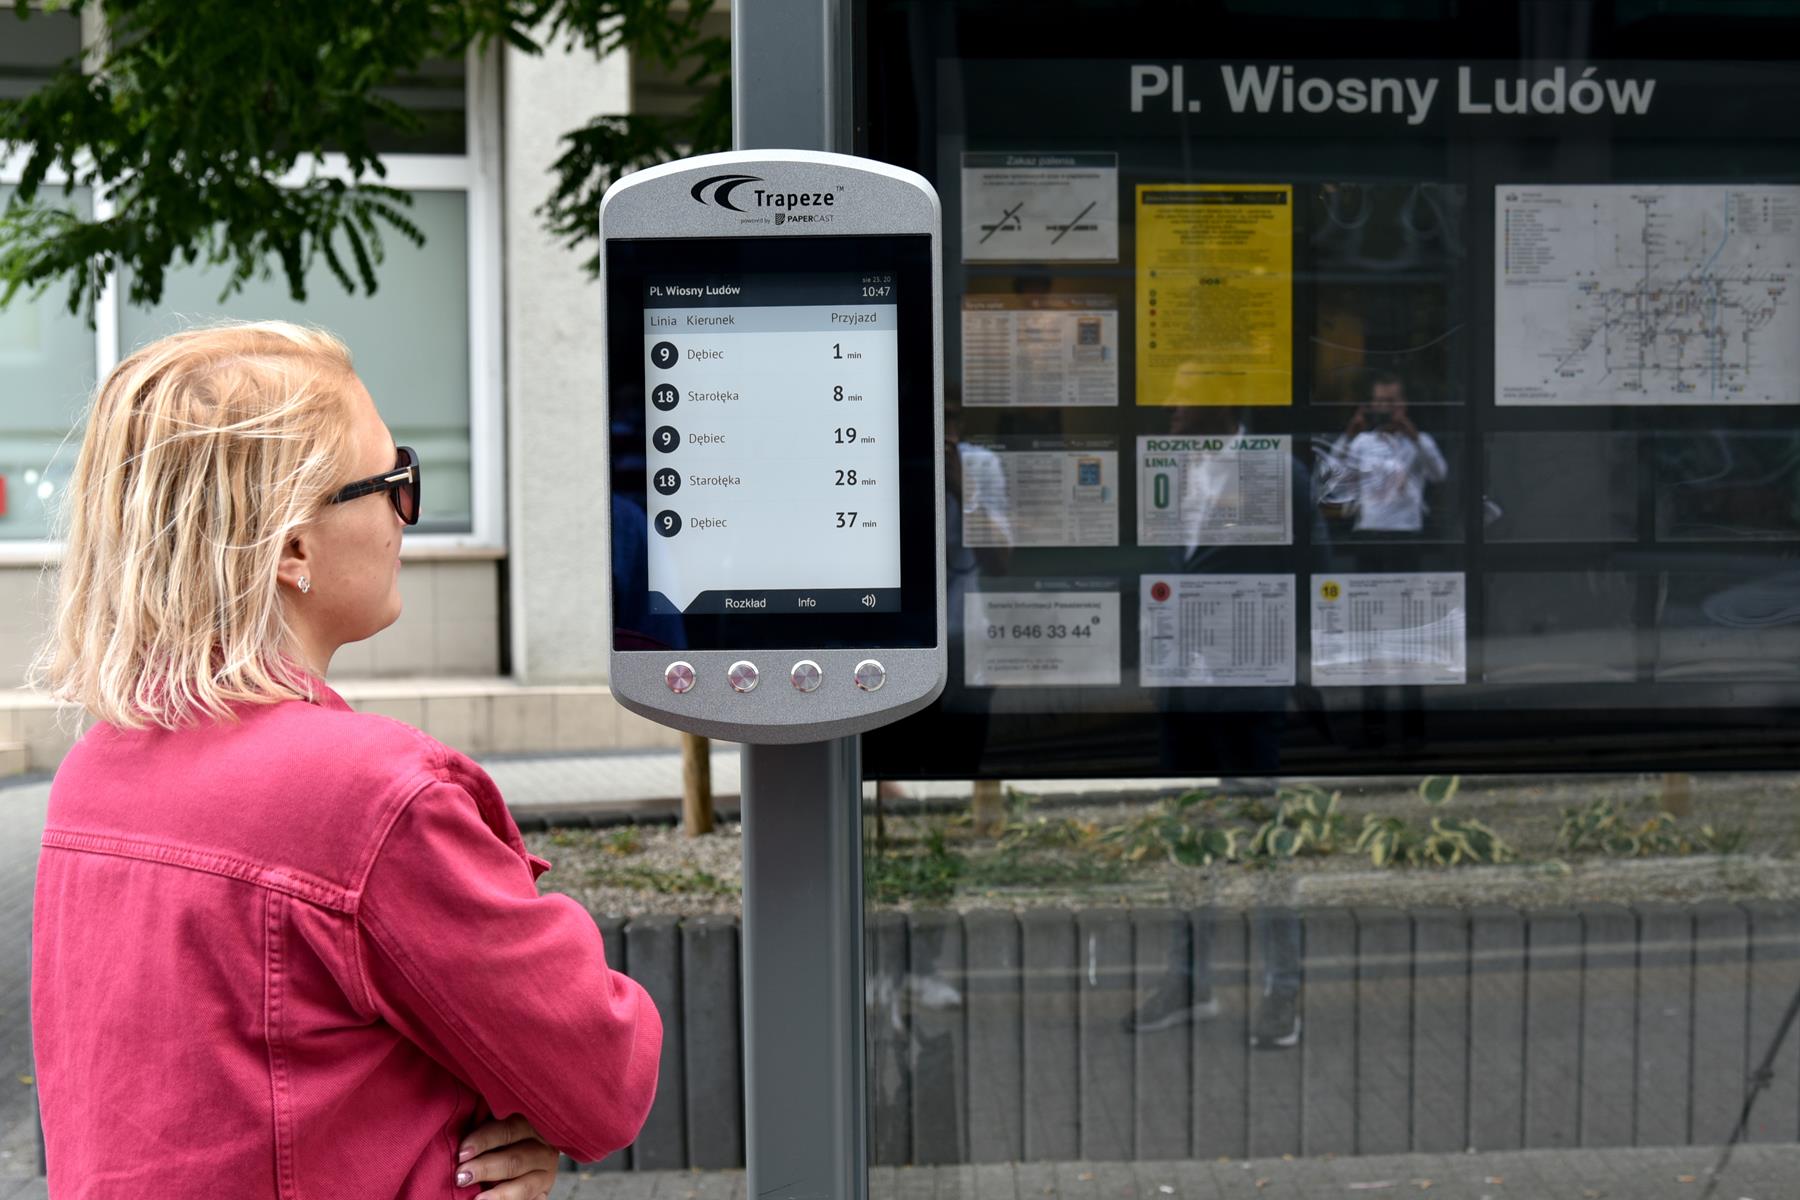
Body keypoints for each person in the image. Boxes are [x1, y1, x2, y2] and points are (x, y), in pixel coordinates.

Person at [31, 322, 660, 1199]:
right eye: (393, 480)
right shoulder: (373, 798)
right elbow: (600, 1074)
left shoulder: (96, 772)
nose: (411, 511)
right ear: (292, 549)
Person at [1320, 371, 1448, 533]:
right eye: (1380, 401)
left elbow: (1439, 474)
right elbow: (1334, 479)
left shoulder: (1419, 441)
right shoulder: (1362, 441)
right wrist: (1348, 437)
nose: (1385, 408)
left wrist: (1414, 436)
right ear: (1372, 405)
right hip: (1368, 530)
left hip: (1407, 530)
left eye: (1391, 402)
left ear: (1403, 404)